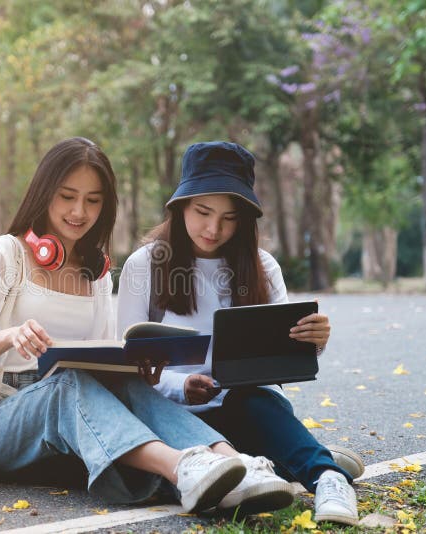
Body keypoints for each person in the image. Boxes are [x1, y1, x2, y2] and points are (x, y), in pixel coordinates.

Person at [0, 137, 284, 513]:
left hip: (72, 418)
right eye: (67, 196)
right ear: (44, 194)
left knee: (125, 382)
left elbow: (101, 359)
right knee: (65, 384)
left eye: (92, 200)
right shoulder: (5, 253)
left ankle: (234, 463)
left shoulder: (97, 272)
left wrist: (137, 368)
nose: (79, 211)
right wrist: (9, 335)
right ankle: (182, 467)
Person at [117, 141, 362, 525]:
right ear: (179, 205)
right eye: (202, 212)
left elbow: (280, 360)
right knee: (162, 472)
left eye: (229, 218)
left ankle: (328, 477)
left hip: (244, 408)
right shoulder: (144, 265)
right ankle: (291, 457)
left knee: (259, 402)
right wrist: (182, 386)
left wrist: (313, 343)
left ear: (244, 219)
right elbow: (128, 364)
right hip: (171, 416)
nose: (213, 229)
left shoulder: (262, 267)